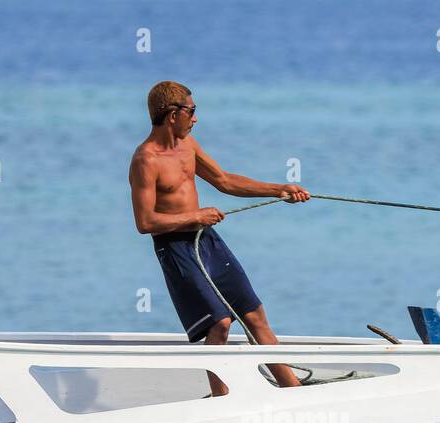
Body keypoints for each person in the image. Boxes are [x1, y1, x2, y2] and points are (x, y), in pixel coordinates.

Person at [129, 80, 310, 395]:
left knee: (254, 316)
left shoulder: (189, 146)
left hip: (206, 240)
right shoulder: (146, 160)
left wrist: (279, 190)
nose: (196, 118)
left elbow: (224, 180)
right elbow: (145, 222)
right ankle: (222, 399)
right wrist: (194, 216)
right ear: (173, 115)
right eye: (192, 111)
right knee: (220, 324)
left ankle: (293, 391)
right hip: (175, 248)